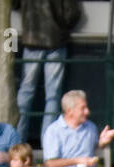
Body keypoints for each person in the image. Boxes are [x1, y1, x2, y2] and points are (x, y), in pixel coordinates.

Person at [14, 0, 83, 142]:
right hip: (56, 40)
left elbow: (14, 4)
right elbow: (73, 13)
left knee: (26, 90)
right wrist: (62, 27)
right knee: (53, 94)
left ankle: (18, 140)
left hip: (31, 38)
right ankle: (48, 141)